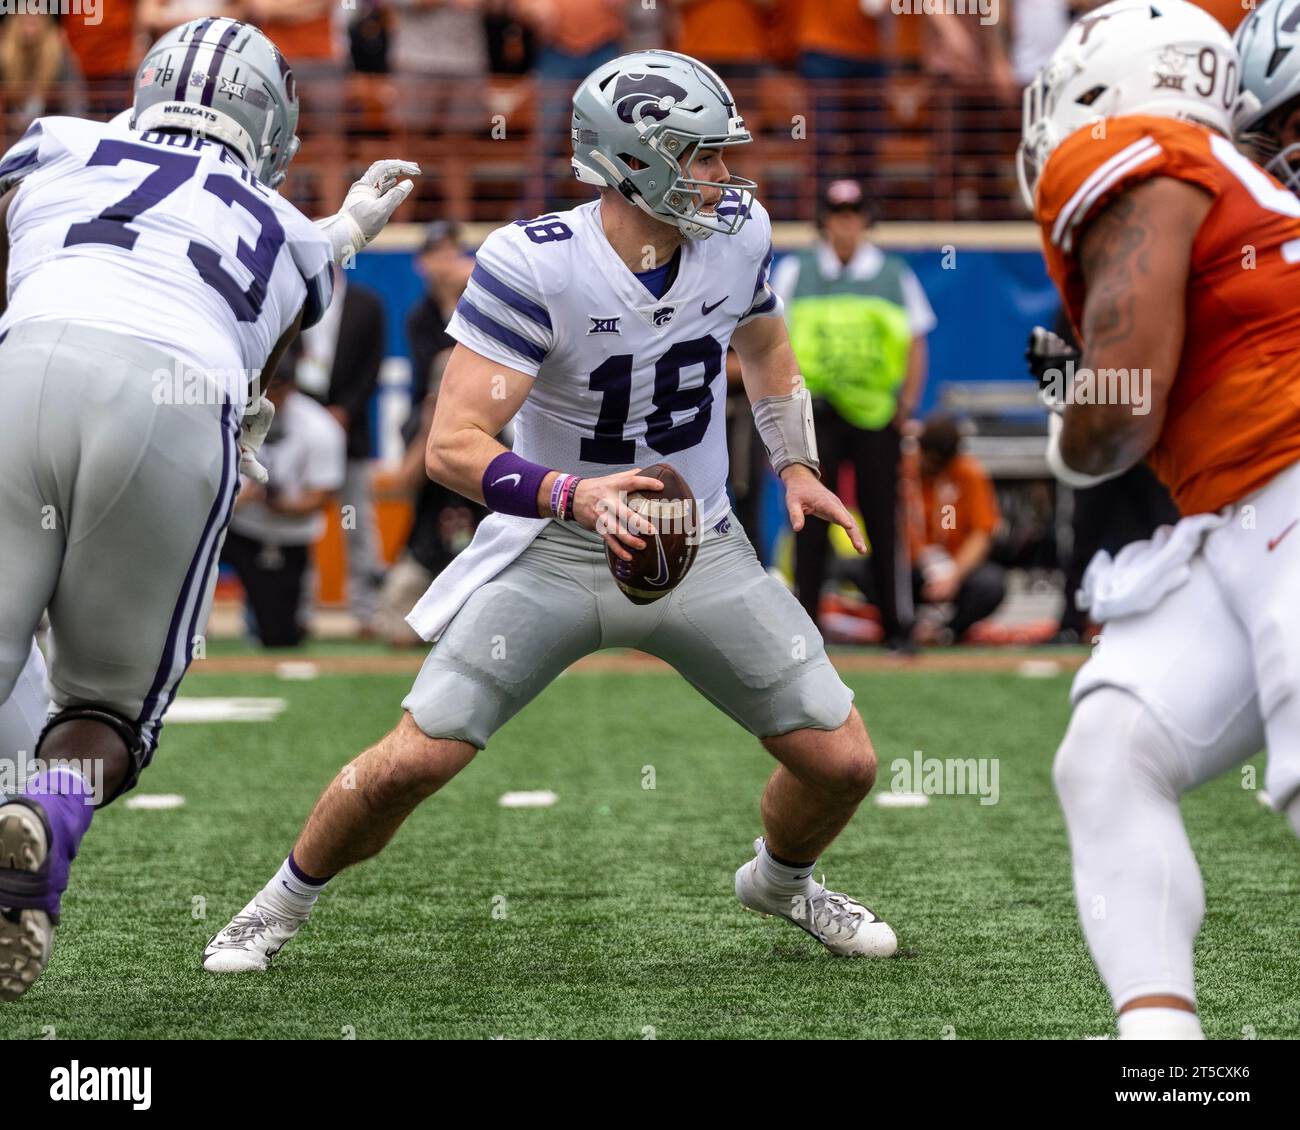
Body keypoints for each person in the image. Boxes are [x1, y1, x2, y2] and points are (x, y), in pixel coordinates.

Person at [203, 49, 900, 974]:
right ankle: (275, 904)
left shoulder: (740, 231)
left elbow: (768, 347)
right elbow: (454, 447)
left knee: (844, 762)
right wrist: (578, 495)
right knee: (416, 759)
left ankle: (780, 882)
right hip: (556, 543)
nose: (725, 176)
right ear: (634, 160)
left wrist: (798, 463)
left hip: (700, 541)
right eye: (701, 156)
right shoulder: (538, 265)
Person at [0, 15, 416, 1002]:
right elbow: (271, 337)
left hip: (24, 364)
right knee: (103, 704)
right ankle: (45, 823)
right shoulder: (285, 228)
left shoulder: (59, 140)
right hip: (171, 395)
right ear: (265, 121)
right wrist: (351, 226)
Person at [1021, 0, 1300, 1040]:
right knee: (1112, 745)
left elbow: (1123, 406)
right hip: (1243, 512)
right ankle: (1162, 1054)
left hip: (1283, 489)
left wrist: (1073, 423)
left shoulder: (1127, 147)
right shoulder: (1236, 184)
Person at [772, 178, 935, 652]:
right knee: (809, 520)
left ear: (866, 220)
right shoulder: (795, 272)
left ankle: (896, 628)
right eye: (837, 214)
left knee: (884, 517)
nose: (846, 224)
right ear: (824, 221)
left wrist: (906, 407)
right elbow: (774, 342)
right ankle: (807, 627)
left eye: (854, 214)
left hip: (875, 415)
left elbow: (916, 340)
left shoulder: (894, 274)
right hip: (814, 414)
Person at [221, 368, 348, 647]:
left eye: (276, 389)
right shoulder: (228, 413)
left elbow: (322, 494)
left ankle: (274, 620)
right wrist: (242, 498)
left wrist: (285, 506)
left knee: (279, 635)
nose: (270, 397)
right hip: (236, 525)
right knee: (192, 546)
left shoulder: (319, 427)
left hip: (287, 534)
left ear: (291, 389)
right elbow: (205, 486)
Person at [296, 265, 387, 633]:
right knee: (300, 521)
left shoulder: (366, 305)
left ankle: (366, 610)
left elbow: (372, 366)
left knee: (357, 520)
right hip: (302, 431)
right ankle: (298, 609)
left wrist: (345, 411)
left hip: (350, 432)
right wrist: (308, 415)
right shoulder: (297, 300)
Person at [904, 416, 1006, 645]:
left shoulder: (969, 473)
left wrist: (952, 576)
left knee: (991, 583)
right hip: (913, 568)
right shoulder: (903, 471)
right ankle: (902, 627)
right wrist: (923, 560)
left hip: (955, 568)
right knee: (864, 568)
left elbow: (982, 533)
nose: (932, 466)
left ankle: (947, 632)